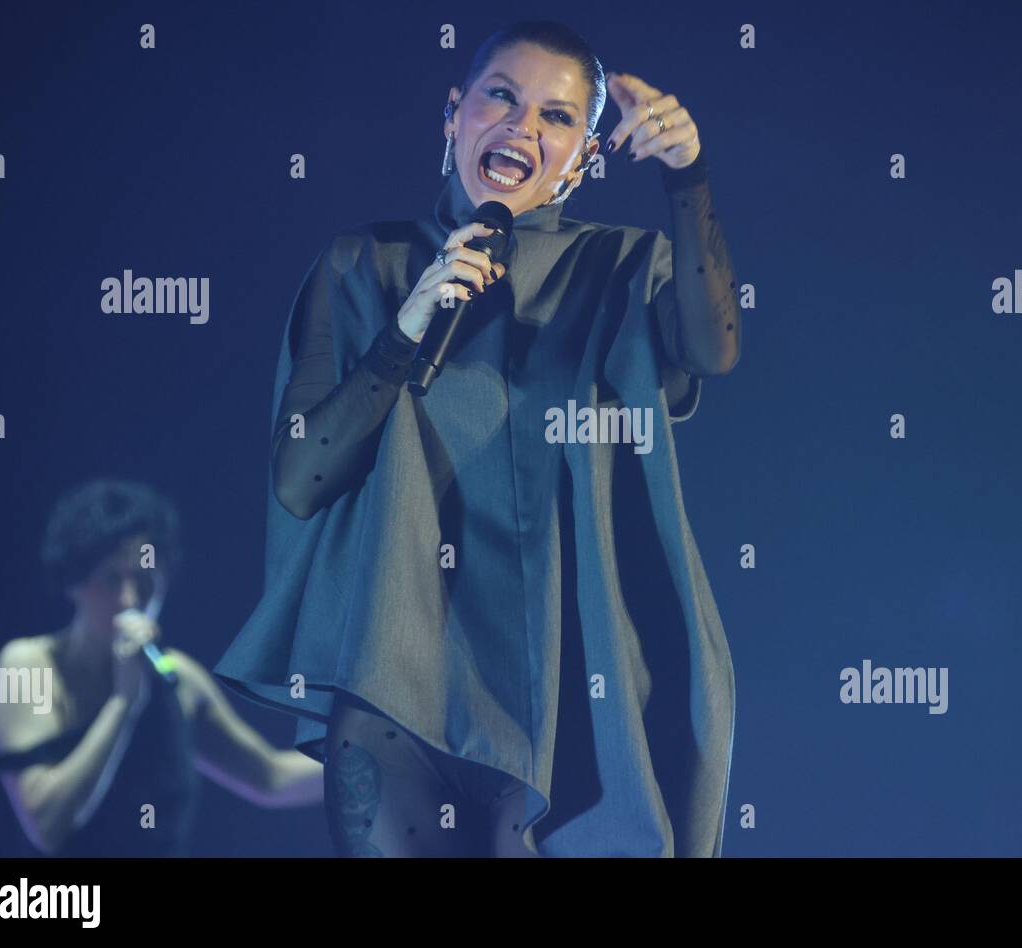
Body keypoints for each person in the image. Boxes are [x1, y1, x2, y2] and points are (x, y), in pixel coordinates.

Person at [215, 19, 742, 857]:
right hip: (398, 685)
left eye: (557, 118)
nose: (521, 128)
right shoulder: (366, 265)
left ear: (584, 159)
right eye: (502, 96)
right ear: (455, 112)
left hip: (573, 688)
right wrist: (406, 326)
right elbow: (299, 479)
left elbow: (713, 349)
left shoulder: (622, 267)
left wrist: (689, 178)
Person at [0, 479, 323, 856]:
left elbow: (270, 777)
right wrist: (123, 705)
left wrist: (370, 761)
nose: (129, 599)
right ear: (73, 580)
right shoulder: (29, 666)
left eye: (145, 581)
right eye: (110, 579)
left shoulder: (177, 679)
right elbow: (47, 826)